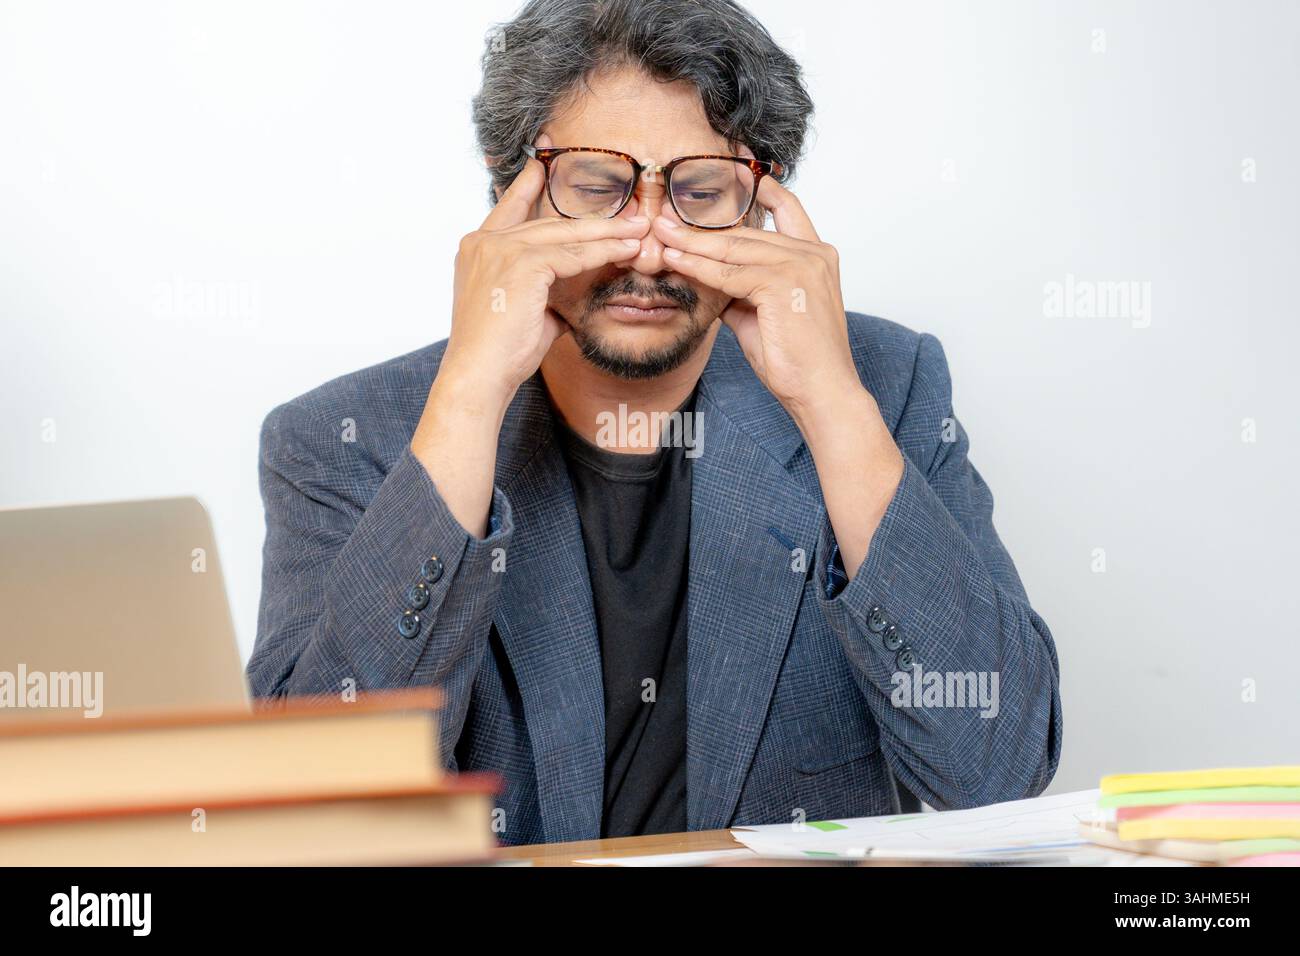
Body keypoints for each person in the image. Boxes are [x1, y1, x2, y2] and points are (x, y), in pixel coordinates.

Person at [248, 0, 1062, 846]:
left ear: (762, 199)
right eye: (597, 191)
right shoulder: (338, 439)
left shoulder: (884, 387)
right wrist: (469, 396)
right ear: (507, 191)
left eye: (700, 192)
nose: (646, 248)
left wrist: (832, 405)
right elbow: (318, 814)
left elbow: (998, 772)